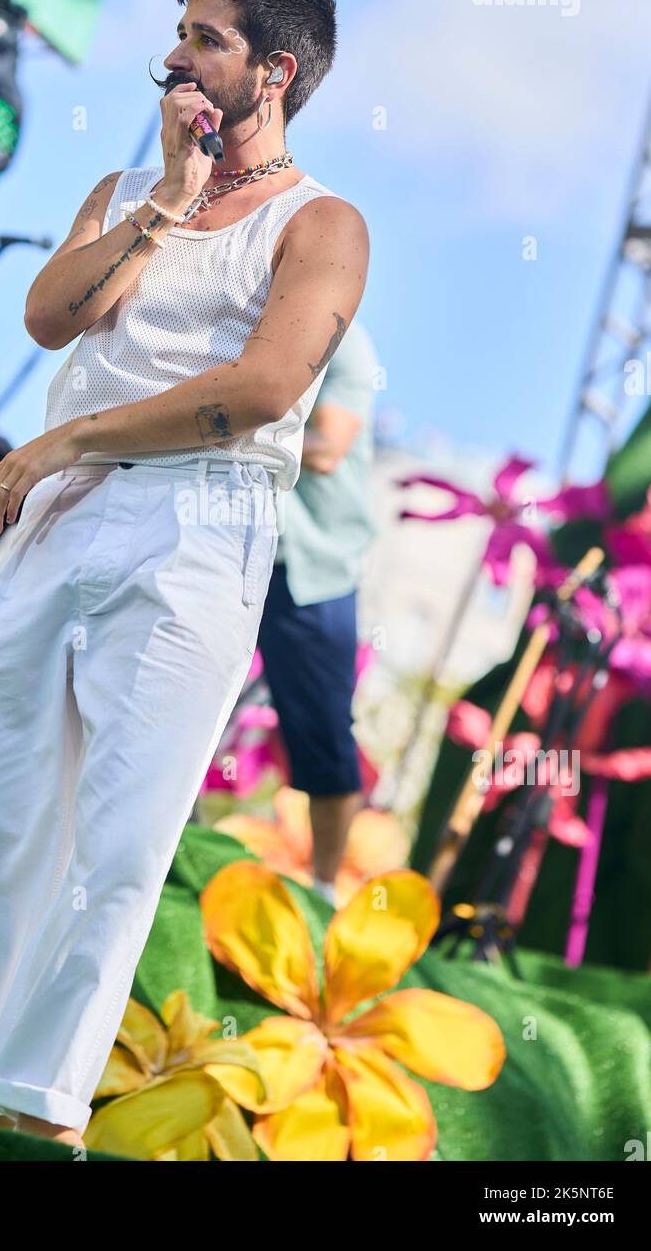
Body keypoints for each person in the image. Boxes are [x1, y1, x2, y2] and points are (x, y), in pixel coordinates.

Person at [0, 0, 369, 1149]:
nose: (175, 54)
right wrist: (165, 198)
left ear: (272, 70)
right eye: (176, 30)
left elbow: (265, 389)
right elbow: (50, 316)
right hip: (67, 511)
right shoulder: (128, 190)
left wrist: (69, 434)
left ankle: (37, 1105)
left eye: (206, 38)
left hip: (198, 518)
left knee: (119, 832)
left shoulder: (319, 221)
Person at [255, 320, 378, 905]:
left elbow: (327, 450)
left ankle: (325, 888)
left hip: (310, 567)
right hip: (225, 543)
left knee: (324, 732)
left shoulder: (345, 343)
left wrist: (219, 418)